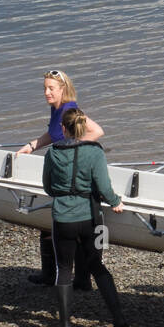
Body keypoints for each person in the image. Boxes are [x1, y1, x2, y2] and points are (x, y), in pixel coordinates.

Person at [42, 107, 129, 327]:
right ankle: (119, 320)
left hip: (63, 217)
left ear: (63, 129)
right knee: (97, 266)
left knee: (64, 268)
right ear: (84, 126)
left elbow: (48, 187)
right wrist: (115, 202)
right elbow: (103, 186)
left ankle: (65, 325)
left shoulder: (52, 153)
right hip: (92, 218)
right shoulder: (96, 152)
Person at [18, 69, 104, 289]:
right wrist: (31, 146)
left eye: (51, 88)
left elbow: (97, 131)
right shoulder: (56, 109)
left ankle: (78, 280)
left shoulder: (69, 108)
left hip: (76, 174)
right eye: (45, 88)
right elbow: (53, 134)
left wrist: (74, 149)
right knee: (52, 223)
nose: (46, 92)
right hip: (66, 173)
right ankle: (54, 275)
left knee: (64, 224)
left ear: (63, 90)